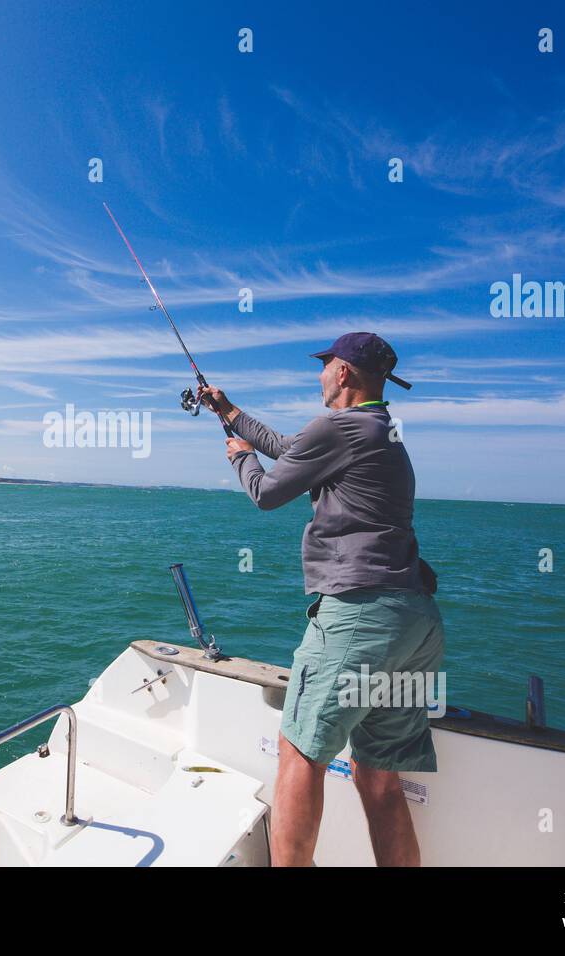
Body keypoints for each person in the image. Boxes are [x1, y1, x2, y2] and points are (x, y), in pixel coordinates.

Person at [198, 332, 443, 867]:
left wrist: (240, 458)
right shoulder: (383, 432)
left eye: (325, 365)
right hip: (415, 621)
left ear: (345, 374)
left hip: (361, 617)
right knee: (378, 777)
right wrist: (230, 411)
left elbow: (267, 492)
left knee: (300, 752)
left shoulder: (338, 426)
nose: (319, 374)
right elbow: (294, 451)